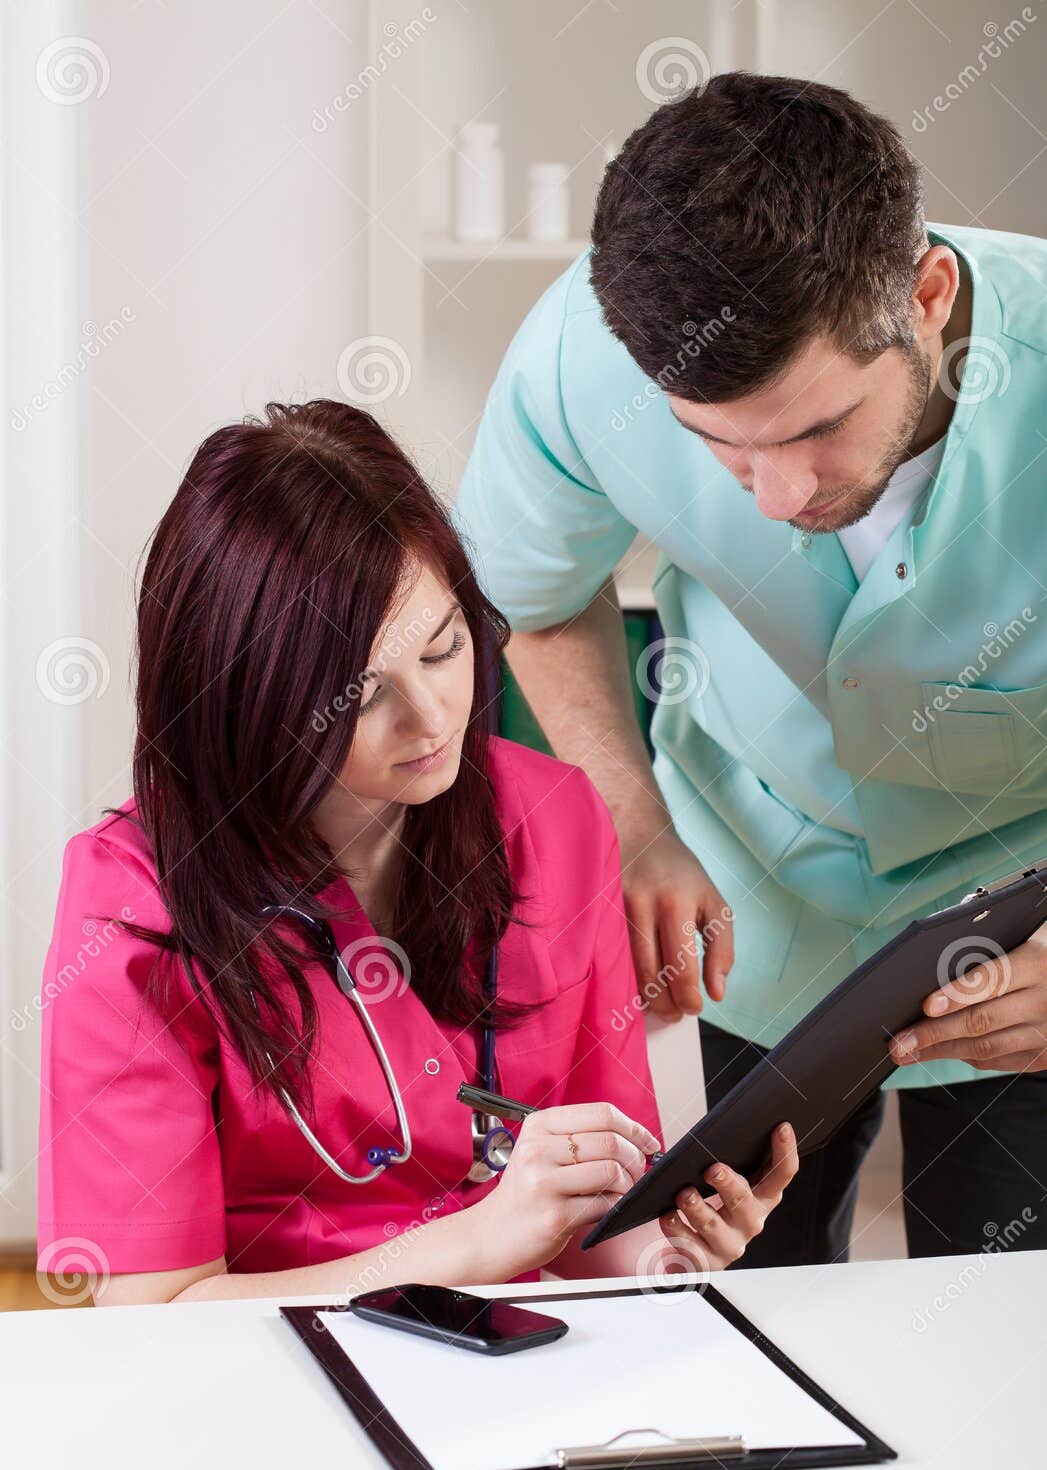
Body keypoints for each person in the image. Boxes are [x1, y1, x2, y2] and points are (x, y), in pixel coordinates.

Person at [454, 72, 1047, 1267]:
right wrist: (633, 825)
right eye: (715, 446)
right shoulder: (586, 354)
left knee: (1006, 1298)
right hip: (758, 875)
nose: (781, 498)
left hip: (1023, 889)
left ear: (926, 299)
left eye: (815, 428)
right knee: (748, 1291)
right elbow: (533, 599)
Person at [36, 399, 797, 1305]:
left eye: (443, 650)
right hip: (266, 1389)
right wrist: (474, 1245)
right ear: (248, 698)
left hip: (522, 1365)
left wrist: (673, 1245)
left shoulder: (555, 818)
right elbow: (151, 1312)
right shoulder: (131, 905)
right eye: (360, 698)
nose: (434, 720)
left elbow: (596, 1223)